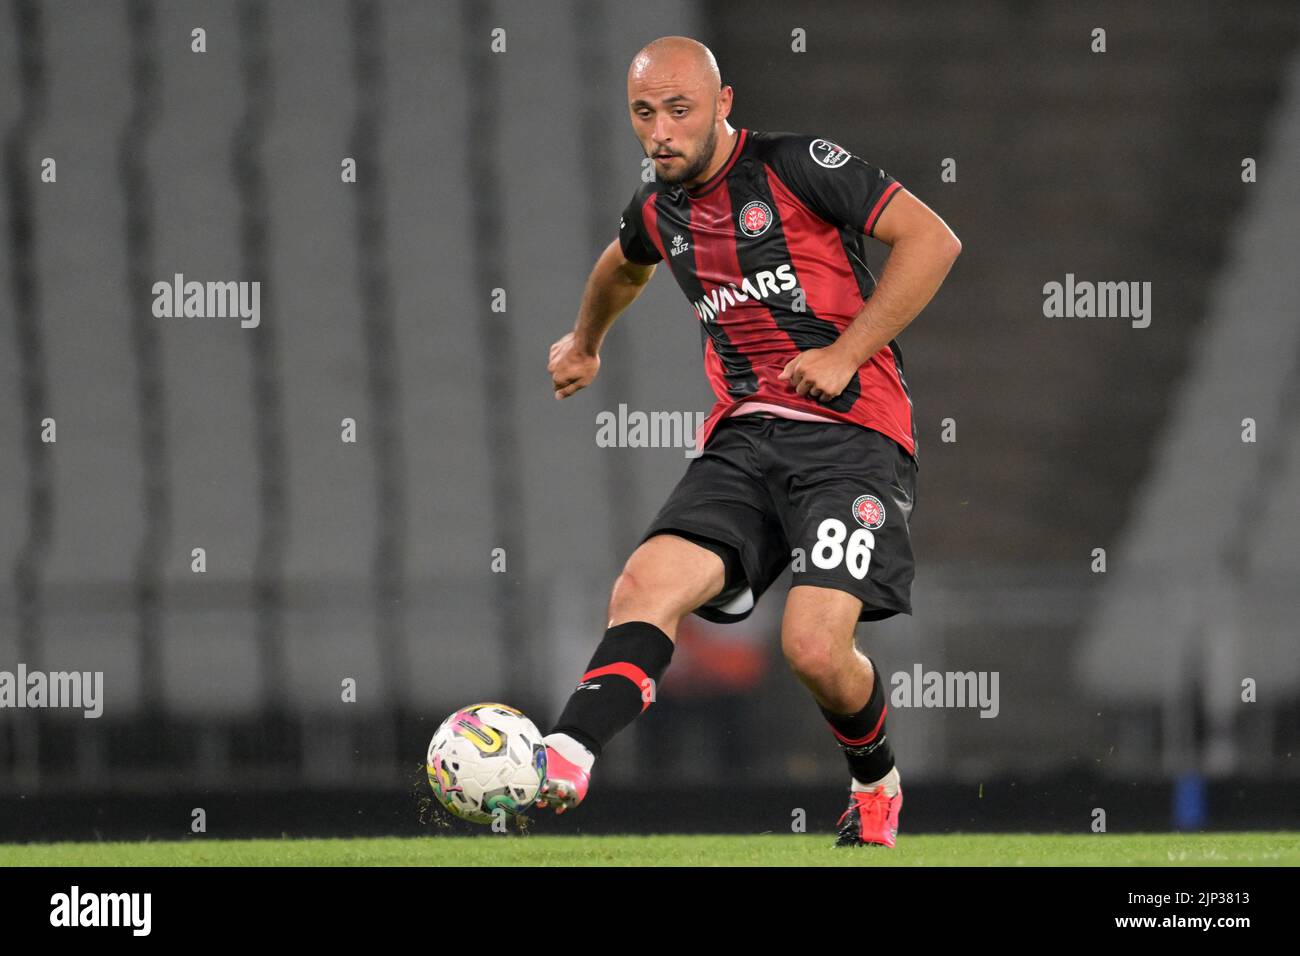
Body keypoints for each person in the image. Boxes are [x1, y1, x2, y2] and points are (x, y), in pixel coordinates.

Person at [541, 35, 961, 847]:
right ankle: (565, 752)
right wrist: (585, 340)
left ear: (722, 104)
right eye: (643, 113)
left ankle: (876, 781)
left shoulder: (797, 166)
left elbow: (933, 240)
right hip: (744, 439)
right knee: (643, 584)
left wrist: (844, 354)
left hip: (853, 438)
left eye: (678, 109)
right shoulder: (658, 207)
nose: (660, 131)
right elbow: (623, 266)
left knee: (811, 647)